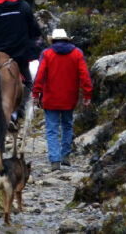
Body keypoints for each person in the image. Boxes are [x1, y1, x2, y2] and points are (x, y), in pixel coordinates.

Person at [32, 28, 92, 170]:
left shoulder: (47, 54)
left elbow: (39, 76)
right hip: (69, 98)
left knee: (51, 129)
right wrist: (87, 95)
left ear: (53, 40)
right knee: (67, 125)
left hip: (50, 98)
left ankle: (55, 160)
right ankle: (65, 156)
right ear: (67, 39)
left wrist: (36, 94)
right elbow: (85, 75)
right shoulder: (77, 53)